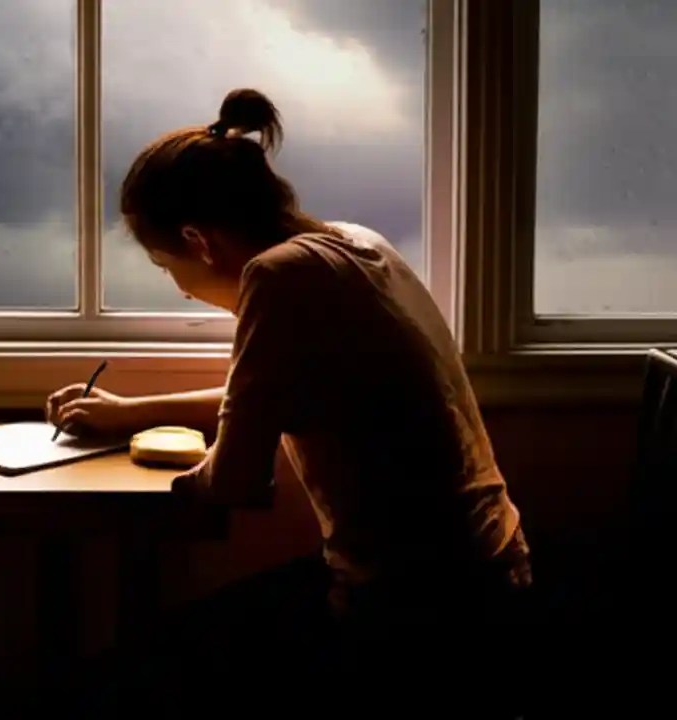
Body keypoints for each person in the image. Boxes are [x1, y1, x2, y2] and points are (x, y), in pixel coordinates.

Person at [45, 89, 533, 716]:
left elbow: (233, 480)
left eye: (166, 267)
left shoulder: (277, 277)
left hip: (413, 609)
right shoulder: (354, 244)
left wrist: (151, 466)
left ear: (199, 240)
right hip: (489, 568)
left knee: (148, 671)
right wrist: (129, 414)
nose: (184, 293)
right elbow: (272, 390)